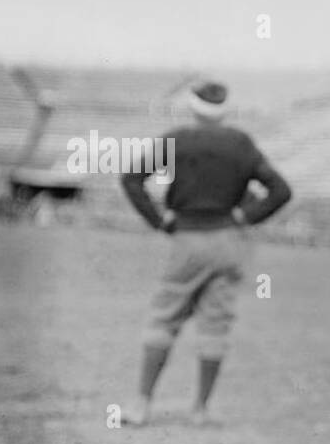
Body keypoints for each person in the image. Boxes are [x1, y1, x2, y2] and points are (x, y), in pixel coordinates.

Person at [121, 80, 291, 426]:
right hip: (229, 241)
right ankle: (200, 408)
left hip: (187, 238)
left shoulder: (176, 140)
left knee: (164, 317)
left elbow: (131, 179)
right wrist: (244, 216)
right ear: (225, 109)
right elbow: (280, 190)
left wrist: (159, 220)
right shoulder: (240, 143)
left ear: (192, 107)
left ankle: (141, 403)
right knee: (216, 325)